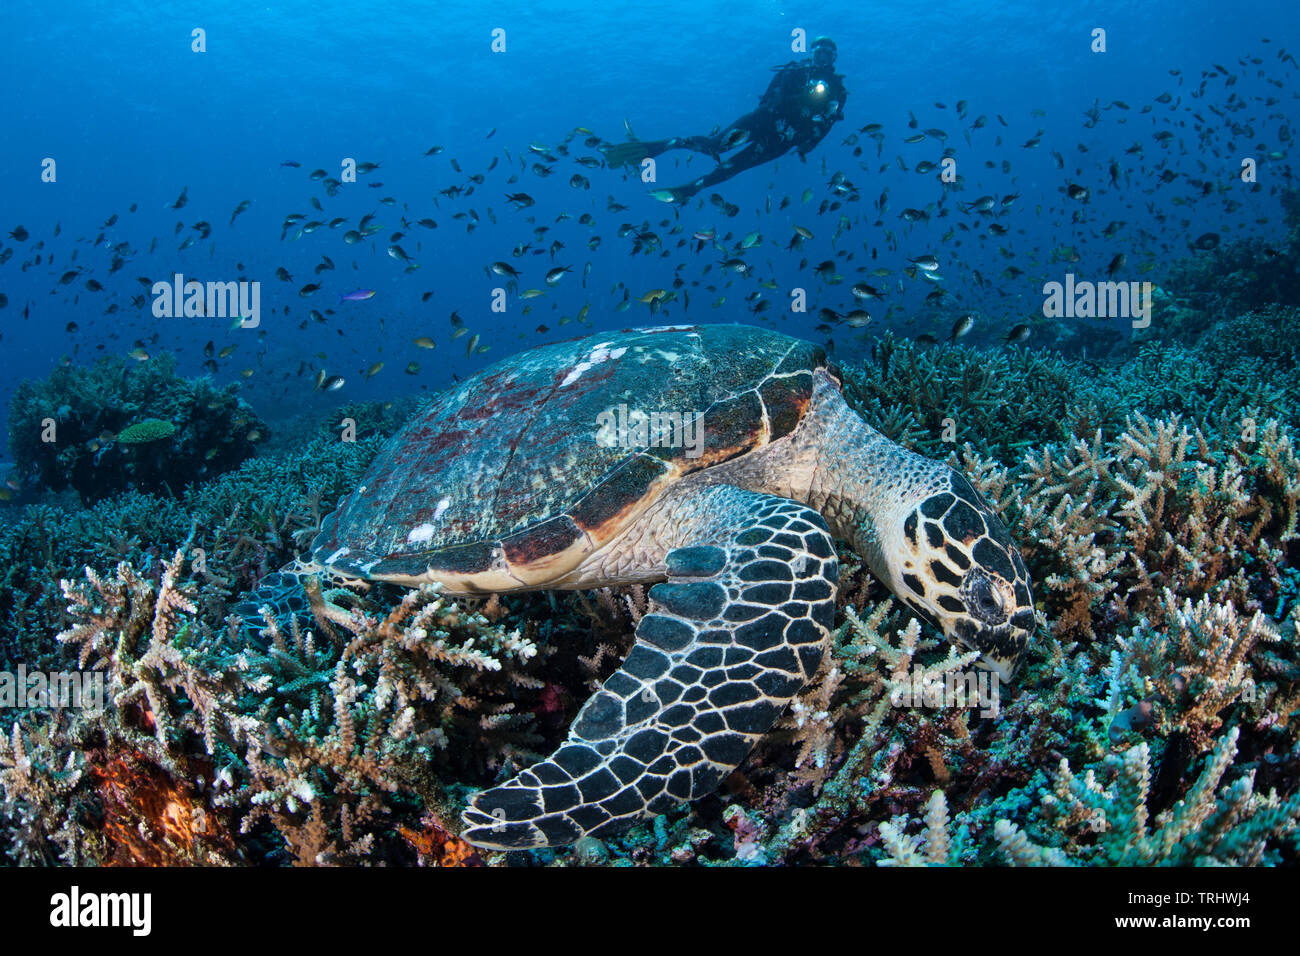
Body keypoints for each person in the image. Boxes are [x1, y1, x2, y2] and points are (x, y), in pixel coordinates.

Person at [602, 37, 847, 202]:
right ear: (812, 53)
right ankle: (662, 146)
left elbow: (825, 125)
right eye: (819, 51)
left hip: (783, 141)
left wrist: (806, 146)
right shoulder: (795, 71)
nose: (823, 57)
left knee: (735, 167)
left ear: (834, 57)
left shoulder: (838, 91)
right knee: (714, 146)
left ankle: (692, 188)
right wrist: (796, 100)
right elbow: (772, 97)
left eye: (828, 53)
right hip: (763, 120)